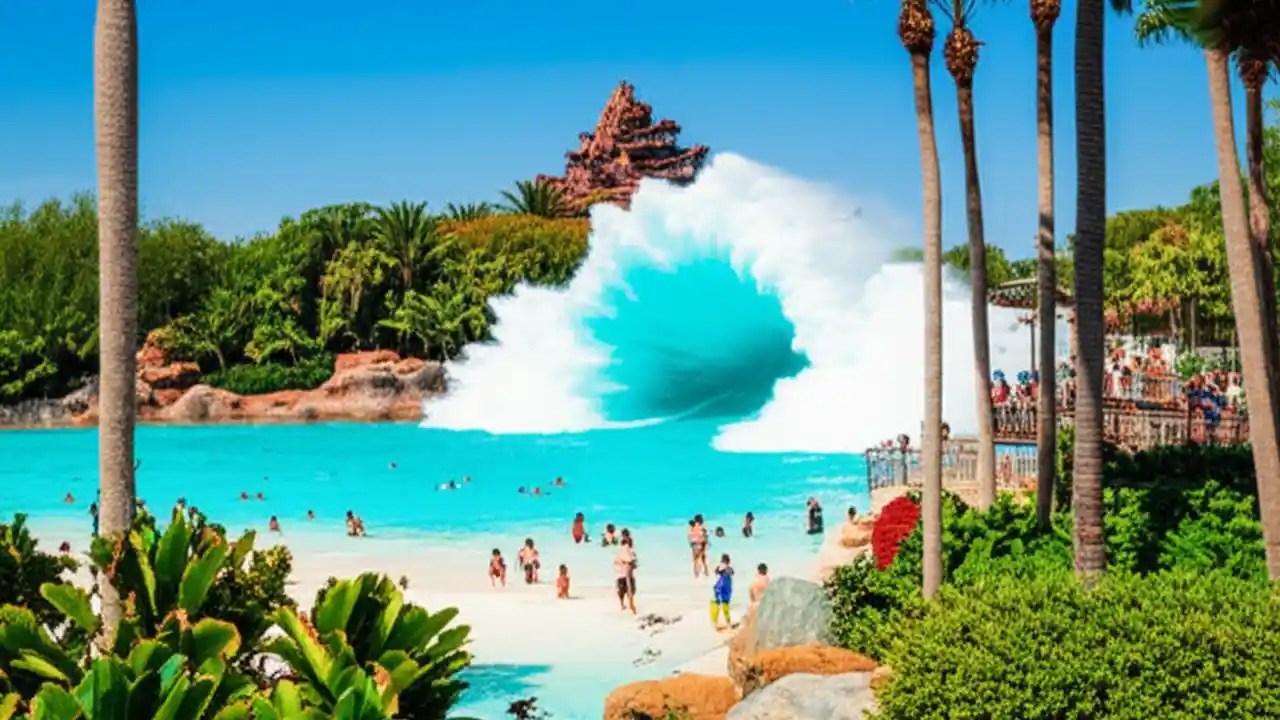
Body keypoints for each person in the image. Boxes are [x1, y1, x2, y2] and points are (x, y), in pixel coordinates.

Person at [614, 537, 637, 614]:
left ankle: (622, 606)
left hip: (620, 575)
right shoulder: (628, 551)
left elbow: (616, 563)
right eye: (631, 542)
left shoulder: (618, 552)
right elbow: (632, 562)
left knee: (621, 592)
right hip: (627, 575)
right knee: (630, 592)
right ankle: (632, 608)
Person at [711, 553, 734, 629]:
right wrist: (722, 568)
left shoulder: (725, 568)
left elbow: (719, 573)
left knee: (716, 604)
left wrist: (722, 568)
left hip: (720, 588)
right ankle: (727, 623)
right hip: (725, 589)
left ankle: (716, 623)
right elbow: (731, 572)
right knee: (724, 606)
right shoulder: (727, 568)